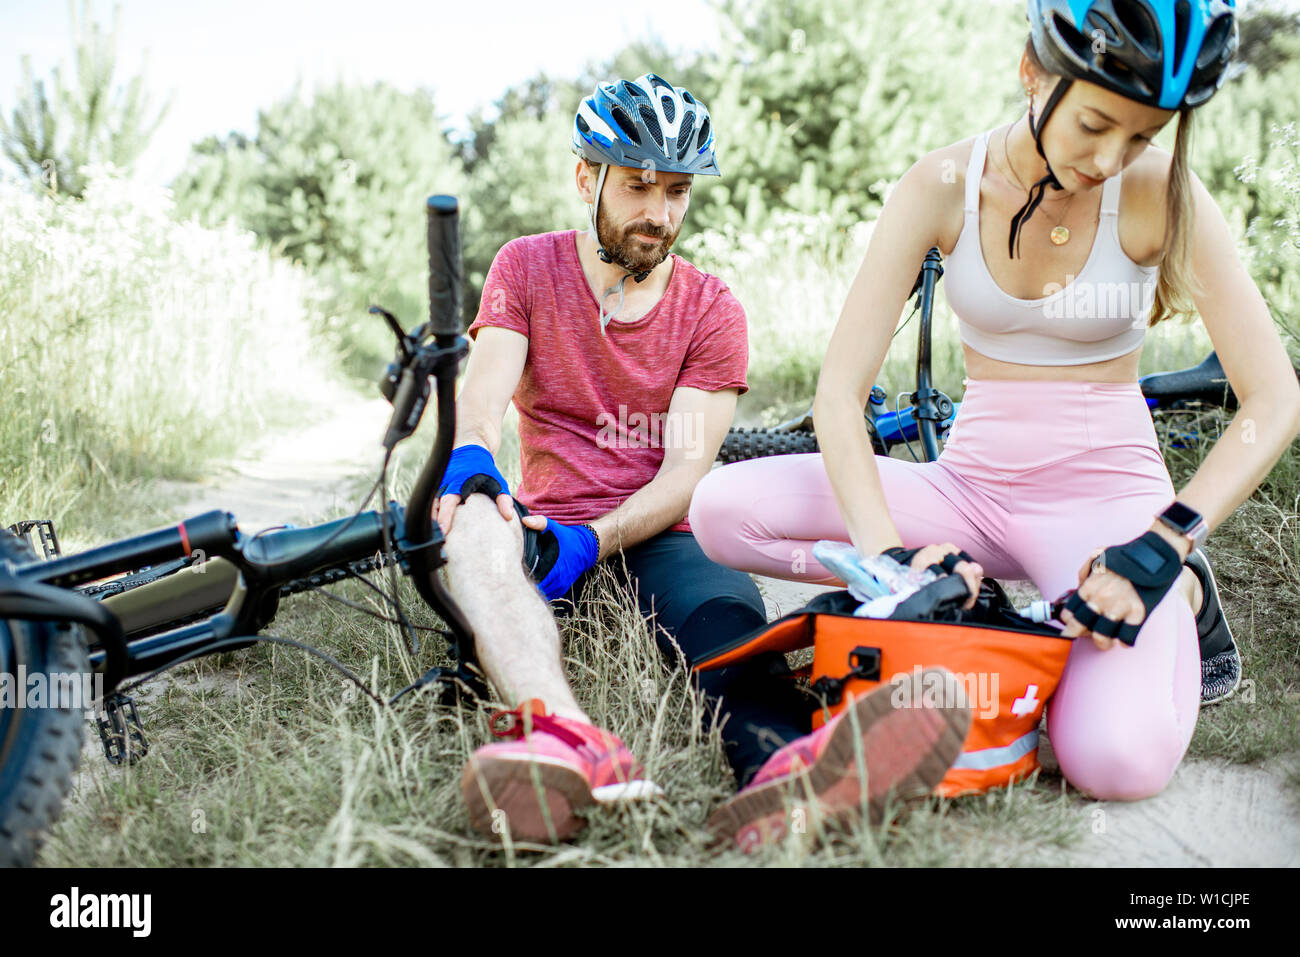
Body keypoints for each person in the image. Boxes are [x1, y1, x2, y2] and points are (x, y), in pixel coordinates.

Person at [689, 0, 1300, 845]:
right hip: (966, 494)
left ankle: (1181, 595)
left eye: (1141, 134)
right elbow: (838, 395)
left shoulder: (1162, 190)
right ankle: (1000, 619)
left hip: (1104, 514)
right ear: (1032, 72)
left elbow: (1273, 399)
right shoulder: (943, 183)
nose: (1110, 158)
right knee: (722, 508)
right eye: (1093, 124)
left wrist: (1165, 543)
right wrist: (889, 560)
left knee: (1115, 764)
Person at [440, 73, 967, 845]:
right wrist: (475, 463)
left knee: (729, 633)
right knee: (472, 526)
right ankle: (565, 740)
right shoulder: (525, 267)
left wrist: (595, 540)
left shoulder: (712, 310)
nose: (659, 213)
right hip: (542, 527)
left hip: (662, 535)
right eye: (638, 186)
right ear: (587, 177)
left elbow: (684, 475)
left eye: (678, 191)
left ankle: (788, 776)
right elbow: (482, 400)